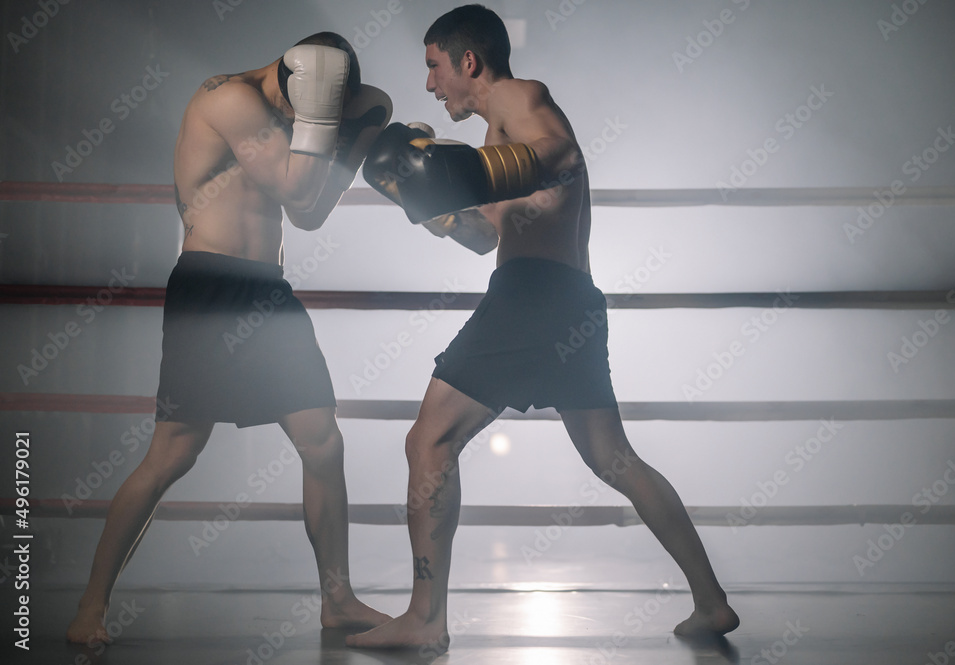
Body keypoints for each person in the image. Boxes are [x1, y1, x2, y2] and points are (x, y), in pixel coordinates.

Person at [348, 5, 740, 651]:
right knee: (614, 458)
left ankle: (425, 618)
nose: (429, 84)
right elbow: (485, 237)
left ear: (467, 60)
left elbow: (559, 154)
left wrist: (458, 172)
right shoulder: (495, 136)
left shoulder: (518, 96)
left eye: (434, 66)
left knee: (428, 441)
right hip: (569, 301)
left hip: (530, 298)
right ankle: (712, 600)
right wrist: (425, 201)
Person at [66, 32, 393, 645]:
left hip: (268, 290)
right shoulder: (229, 100)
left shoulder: (292, 107)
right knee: (173, 453)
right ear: (297, 79)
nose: (303, 119)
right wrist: (339, 129)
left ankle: (338, 600)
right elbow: (297, 189)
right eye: (311, 106)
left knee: (323, 442)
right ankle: (90, 606)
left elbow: (308, 215)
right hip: (210, 287)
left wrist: (356, 138)